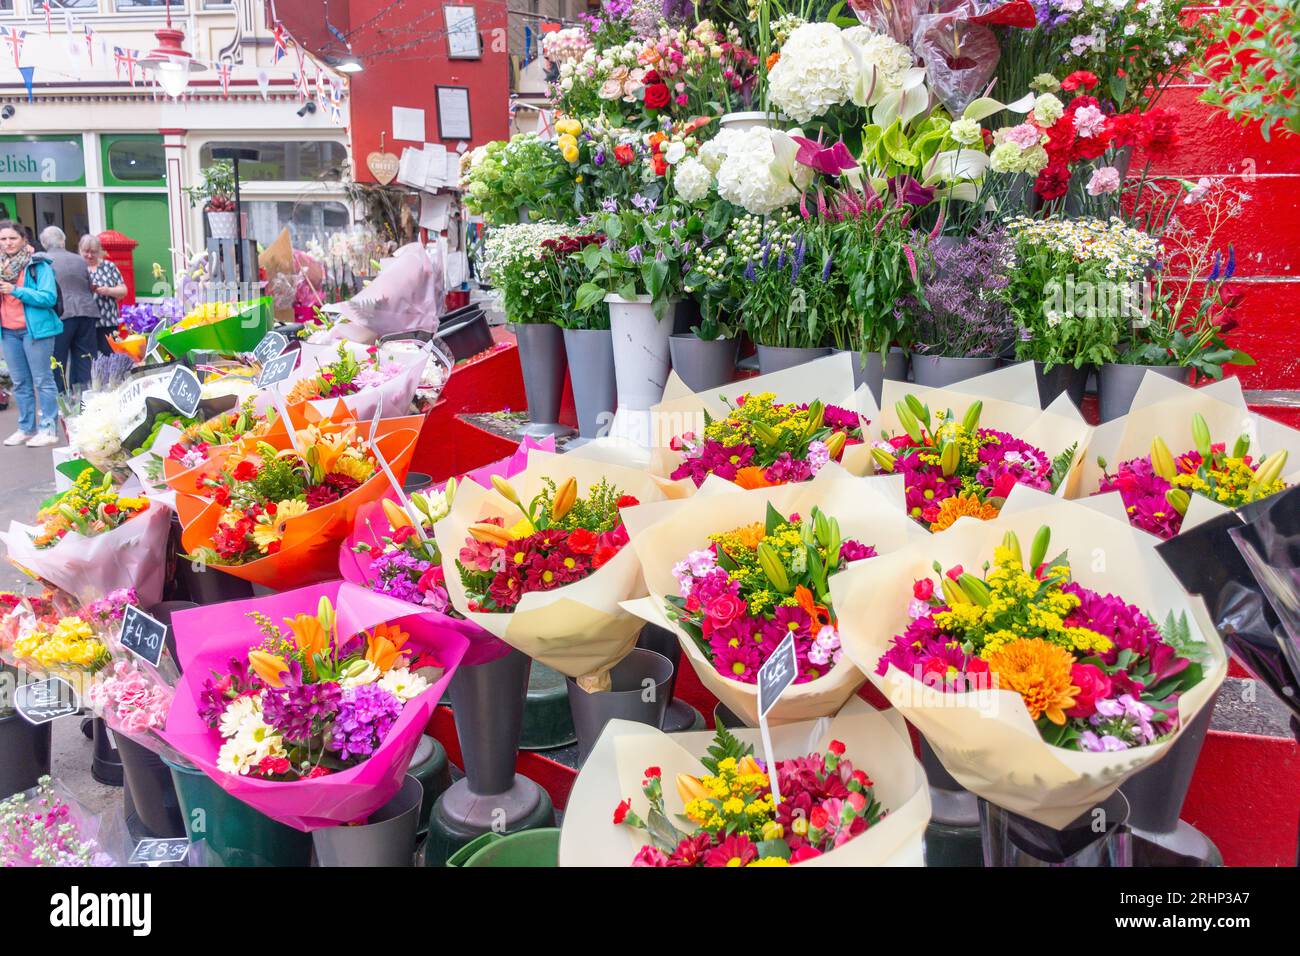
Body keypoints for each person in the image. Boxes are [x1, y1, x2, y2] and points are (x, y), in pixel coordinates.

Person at [0, 219, 62, 447]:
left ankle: (48, 428)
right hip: (7, 332)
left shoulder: (38, 265)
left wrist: (16, 290)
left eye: (12, 238)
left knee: (42, 380)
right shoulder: (0, 266)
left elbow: (48, 297)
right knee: (19, 382)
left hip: (35, 331)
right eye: (3, 239)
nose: (7, 243)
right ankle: (26, 428)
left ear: (23, 239)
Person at [41, 226, 99, 392]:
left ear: (44, 243)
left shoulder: (43, 260)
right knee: (85, 358)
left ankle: (61, 401)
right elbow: (89, 286)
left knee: (57, 360)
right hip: (86, 311)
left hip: (60, 315)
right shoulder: (79, 259)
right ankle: (85, 399)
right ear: (63, 241)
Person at [81, 235, 126, 356]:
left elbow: (123, 290)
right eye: (86, 252)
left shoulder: (108, 266)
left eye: (93, 252)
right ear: (80, 250)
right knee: (89, 358)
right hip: (86, 322)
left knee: (111, 356)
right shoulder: (78, 266)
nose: (89, 255)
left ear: (99, 251)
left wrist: (108, 290)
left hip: (108, 321)